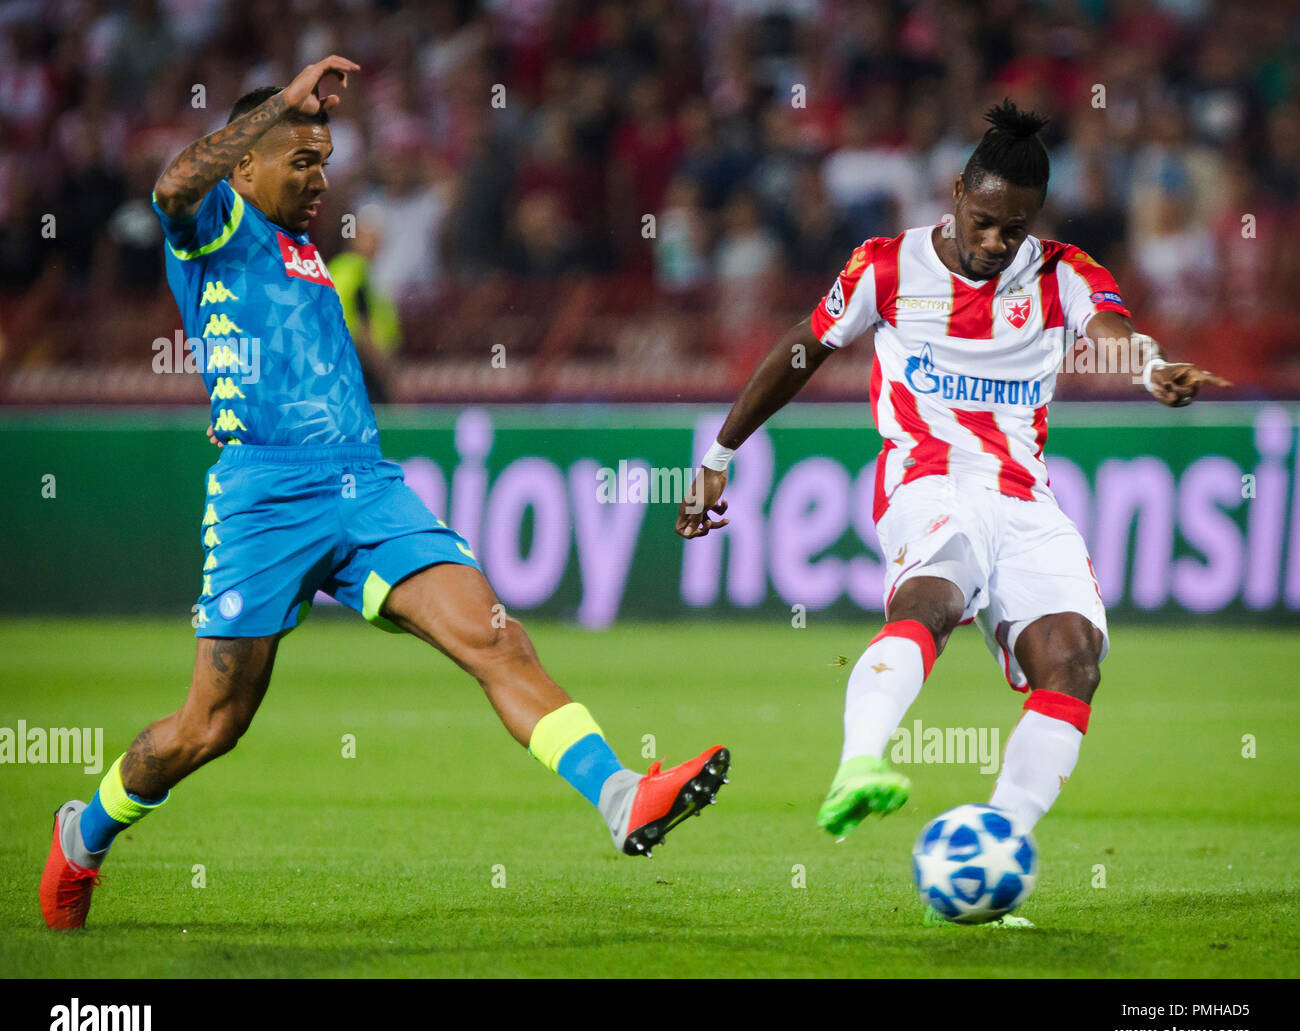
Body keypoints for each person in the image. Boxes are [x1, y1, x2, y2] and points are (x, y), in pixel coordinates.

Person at [41, 57, 729, 930]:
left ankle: (622, 795)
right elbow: (172, 187)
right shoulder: (215, 226)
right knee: (208, 728)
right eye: (302, 159)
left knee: (496, 640)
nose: (320, 178)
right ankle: (84, 833)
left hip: (367, 488)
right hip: (265, 493)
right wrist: (279, 104)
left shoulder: (307, 253)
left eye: (325, 162)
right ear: (247, 164)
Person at [676, 100, 1227, 924]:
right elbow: (802, 348)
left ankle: (994, 852)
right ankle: (859, 765)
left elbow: (1111, 329)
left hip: (1023, 497)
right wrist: (718, 456)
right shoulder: (887, 268)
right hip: (927, 480)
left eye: (1015, 228)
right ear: (957, 190)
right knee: (934, 596)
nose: (996, 243)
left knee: (1074, 661)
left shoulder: (1061, 272)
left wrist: (1148, 368)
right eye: (983, 220)